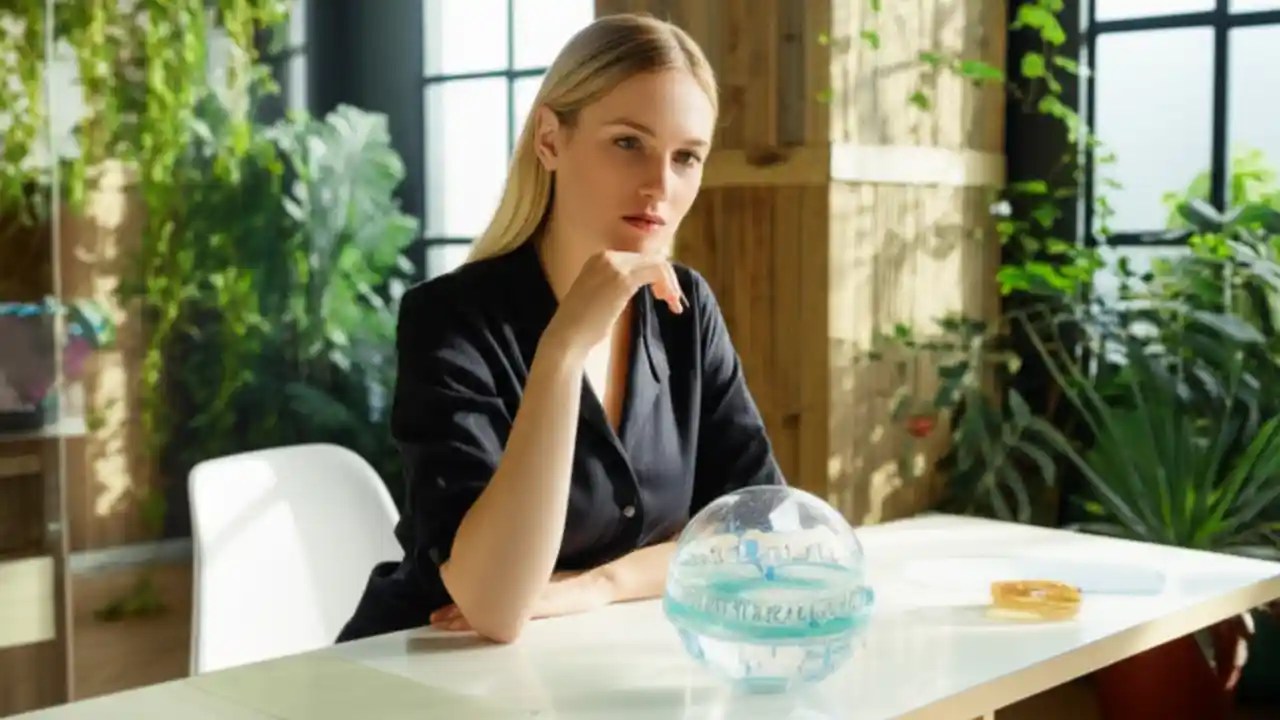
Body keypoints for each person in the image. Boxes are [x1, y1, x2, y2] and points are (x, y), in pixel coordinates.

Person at [336, 13, 784, 645]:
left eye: (686, 157)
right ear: (550, 138)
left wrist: (598, 586)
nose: (660, 184)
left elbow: (758, 528)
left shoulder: (686, 313)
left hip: (591, 662)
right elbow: (495, 606)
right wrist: (564, 349)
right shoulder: (450, 320)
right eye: (628, 142)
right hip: (427, 670)